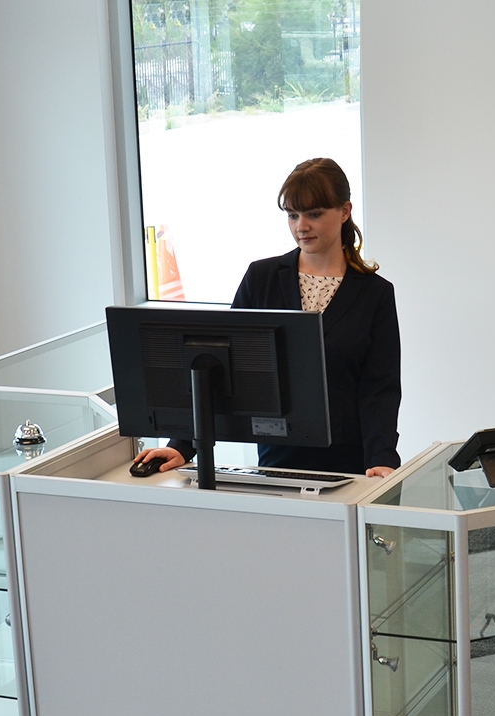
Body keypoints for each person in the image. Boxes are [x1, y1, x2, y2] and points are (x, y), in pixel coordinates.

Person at [135, 158, 401, 479]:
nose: (301, 226)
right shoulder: (261, 278)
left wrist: (382, 457)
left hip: (352, 464)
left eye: (314, 214)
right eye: (293, 215)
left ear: (344, 211)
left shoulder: (375, 293)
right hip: (276, 458)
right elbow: (220, 367)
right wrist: (182, 444)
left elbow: (380, 389)